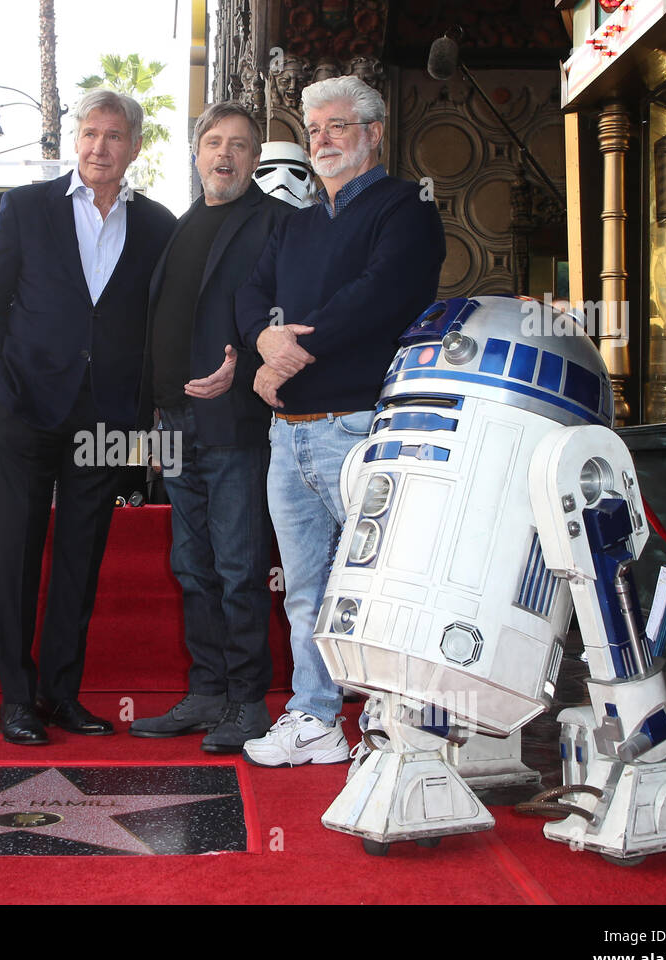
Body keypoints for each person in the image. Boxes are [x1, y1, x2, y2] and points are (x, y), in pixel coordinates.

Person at [233, 75, 445, 767]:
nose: (322, 139)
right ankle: (315, 719)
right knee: (305, 592)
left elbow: (381, 294)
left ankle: (390, 729)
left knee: (380, 585)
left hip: (362, 427)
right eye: (314, 128)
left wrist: (294, 349)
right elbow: (252, 291)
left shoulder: (405, 206)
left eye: (338, 127)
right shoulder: (294, 223)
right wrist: (267, 342)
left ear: (374, 133)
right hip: (287, 434)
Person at [0, 88, 175, 745]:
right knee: (18, 553)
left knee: (80, 561)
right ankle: (17, 699)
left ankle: (60, 694)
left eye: (114, 136)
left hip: (109, 419)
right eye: (89, 133)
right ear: (75, 138)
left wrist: (147, 414)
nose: (99, 147)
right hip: (26, 406)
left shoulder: (158, 225)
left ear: (134, 147)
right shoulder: (26, 207)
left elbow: (160, 325)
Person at [129, 101, 295, 754]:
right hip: (173, 422)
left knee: (237, 564)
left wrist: (247, 363)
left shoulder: (279, 223)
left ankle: (247, 702)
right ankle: (206, 692)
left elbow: (292, 317)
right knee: (191, 565)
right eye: (214, 143)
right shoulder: (180, 226)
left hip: (236, 423)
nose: (224, 155)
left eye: (240, 145)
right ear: (196, 153)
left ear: (256, 160)